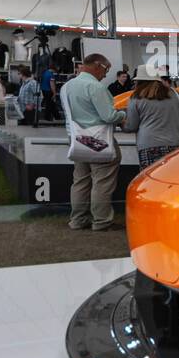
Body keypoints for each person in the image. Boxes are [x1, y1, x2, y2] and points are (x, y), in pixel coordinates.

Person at [60, 53, 126, 231]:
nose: (105, 75)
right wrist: (124, 114)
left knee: (80, 180)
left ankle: (78, 219)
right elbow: (109, 116)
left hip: (76, 139)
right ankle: (101, 221)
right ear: (98, 66)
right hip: (99, 141)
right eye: (106, 70)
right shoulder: (95, 87)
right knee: (102, 181)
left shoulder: (66, 87)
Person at [124, 77, 179, 168]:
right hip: (177, 143)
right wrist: (176, 125)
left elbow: (131, 126)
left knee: (151, 179)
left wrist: (121, 122)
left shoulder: (136, 97)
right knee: (174, 178)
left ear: (139, 82)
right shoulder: (175, 94)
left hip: (149, 146)